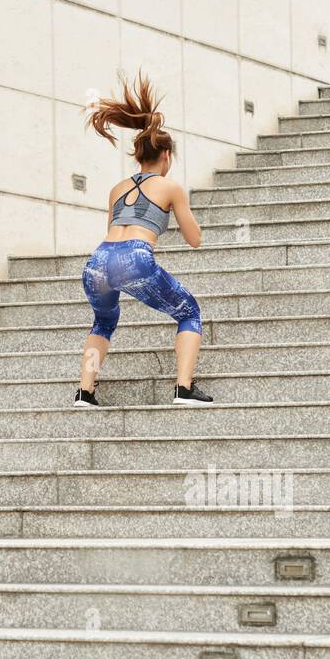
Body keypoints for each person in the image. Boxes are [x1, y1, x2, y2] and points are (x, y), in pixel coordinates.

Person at [74, 71, 212, 407]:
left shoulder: (117, 188)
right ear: (166, 157)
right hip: (133, 257)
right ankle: (184, 388)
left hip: (97, 263)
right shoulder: (170, 186)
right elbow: (194, 238)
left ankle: (85, 392)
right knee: (189, 312)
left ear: (138, 156)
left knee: (103, 321)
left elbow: (112, 231)